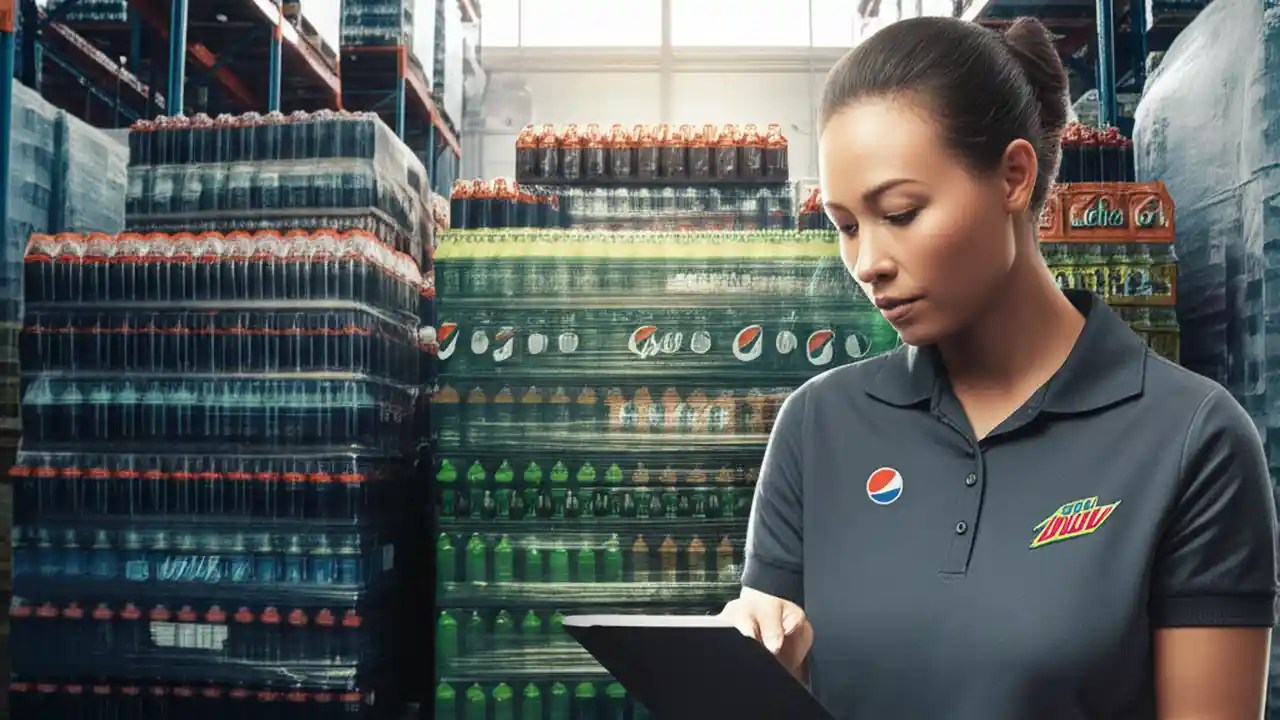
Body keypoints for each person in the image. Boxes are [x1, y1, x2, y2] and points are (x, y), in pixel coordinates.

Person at [720, 15, 1279, 720]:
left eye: (901, 211)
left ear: (1014, 177)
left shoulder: (1190, 439)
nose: (869, 264)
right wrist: (751, 664)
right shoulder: (817, 428)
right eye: (847, 226)